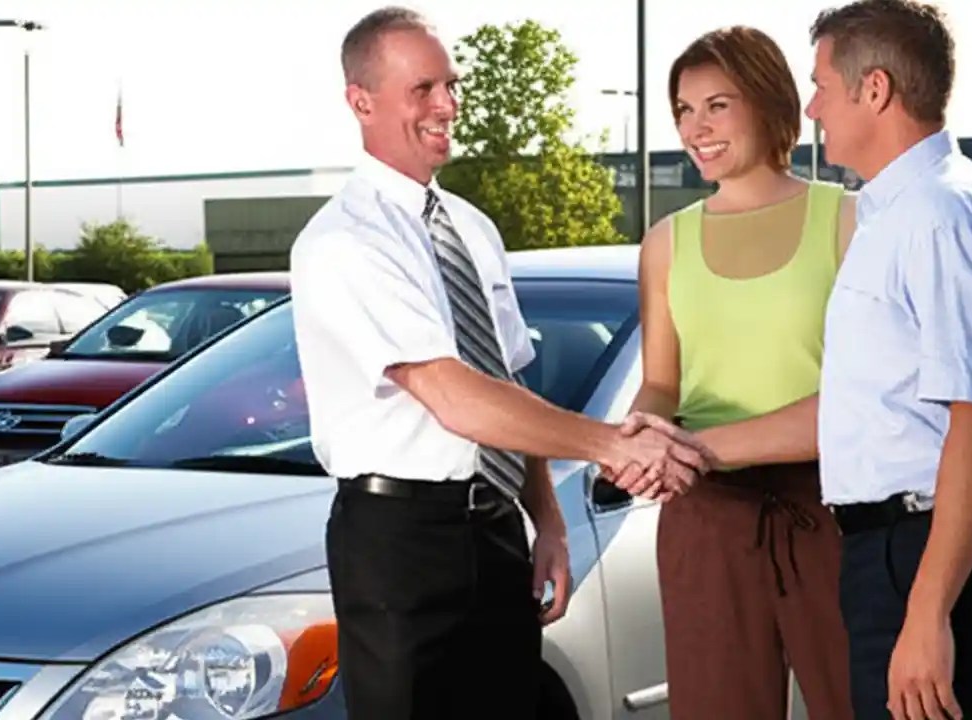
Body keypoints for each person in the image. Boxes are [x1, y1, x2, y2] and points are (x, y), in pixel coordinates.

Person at [288, 7, 706, 718]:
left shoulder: (473, 230)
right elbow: (452, 395)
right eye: (423, 88)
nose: (448, 105)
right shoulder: (342, 241)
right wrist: (611, 443)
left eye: (451, 85)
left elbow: (508, 381)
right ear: (361, 100)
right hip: (399, 544)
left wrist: (546, 518)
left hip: (497, 531)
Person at [806, 1, 972, 718]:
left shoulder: (944, 215)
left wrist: (926, 613)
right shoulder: (896, 213)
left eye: (821, 84)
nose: (811, 107)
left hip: (931, 559)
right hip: (903, 555)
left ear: (874, 89)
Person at [615, 25, 857, 720]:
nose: (697, 128)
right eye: (684, 111)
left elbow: (861, 391)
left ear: (768, 100)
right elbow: (663, 381)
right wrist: (641, 434)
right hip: (705, 514)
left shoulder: (847, 221)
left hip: (830, 508)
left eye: (716, 105)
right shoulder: (666, 242)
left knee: (854, 701)